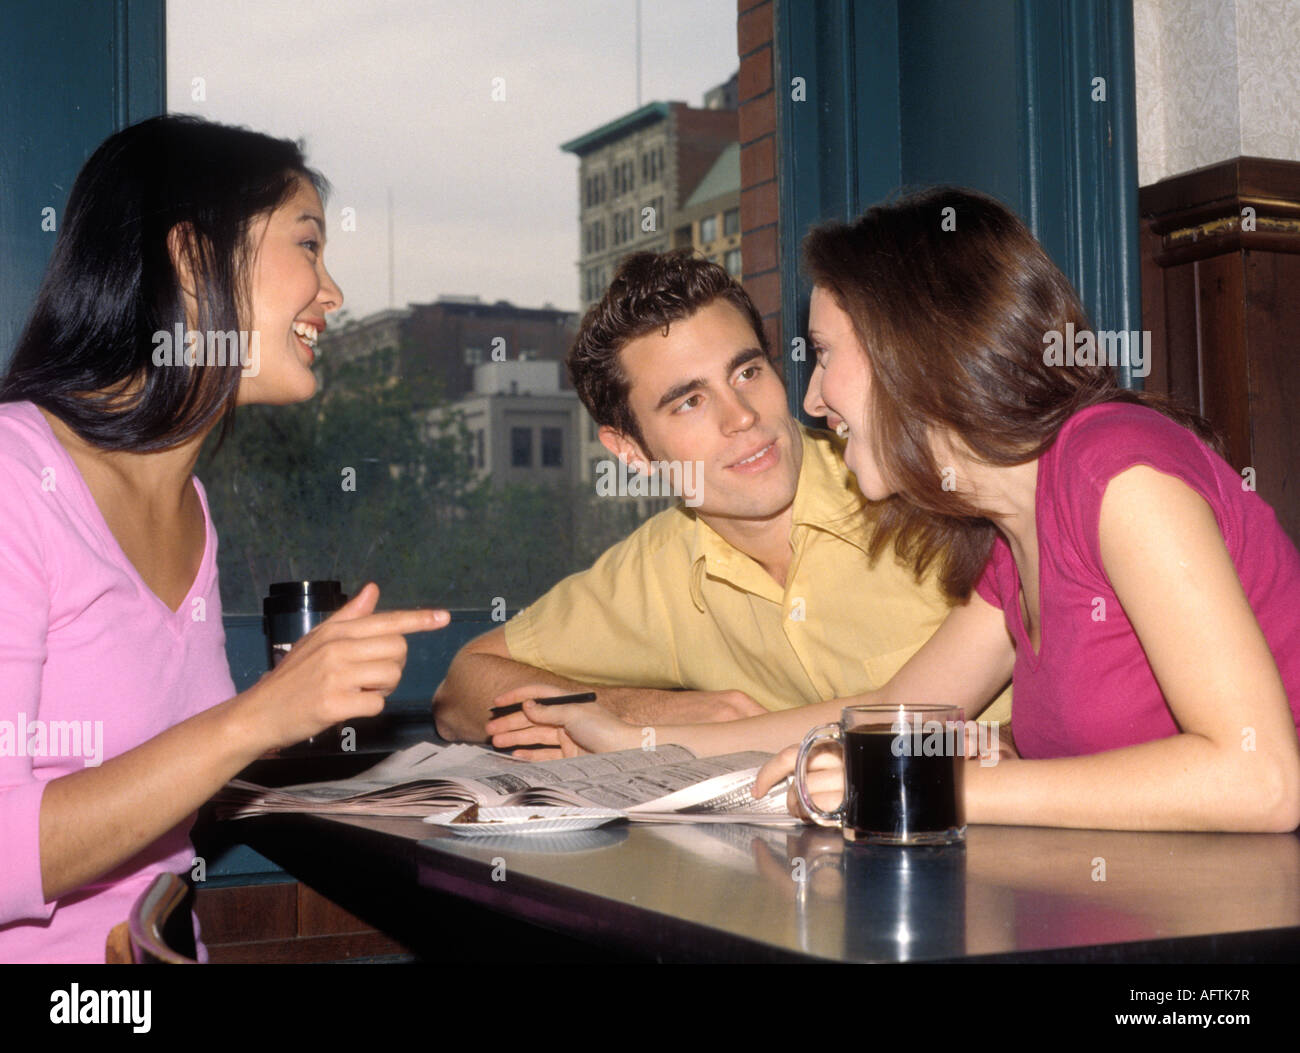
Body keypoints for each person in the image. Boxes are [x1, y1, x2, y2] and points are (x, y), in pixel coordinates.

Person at [489, 188, 1300, 834]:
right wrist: (635, 741)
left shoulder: (1115, 469)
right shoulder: (1014, 536)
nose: (808, 399)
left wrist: (924, 782)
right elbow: (881, 719)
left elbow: (1260, 780)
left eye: (825, 356)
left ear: (911, 354)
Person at [0, 115, 447, 963]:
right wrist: (259, 716)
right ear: (192, 257)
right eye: (306, 245)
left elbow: (159, 796)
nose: (332, 292)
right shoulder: (14, 477)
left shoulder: (190, 508)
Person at [434, 250, 1011, 749]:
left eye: (747, 372)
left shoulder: (924, 492)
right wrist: (659, 711)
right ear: (631, 450)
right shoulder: (656, 570)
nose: (743, 417)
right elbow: (461, 690)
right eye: (688, 402)